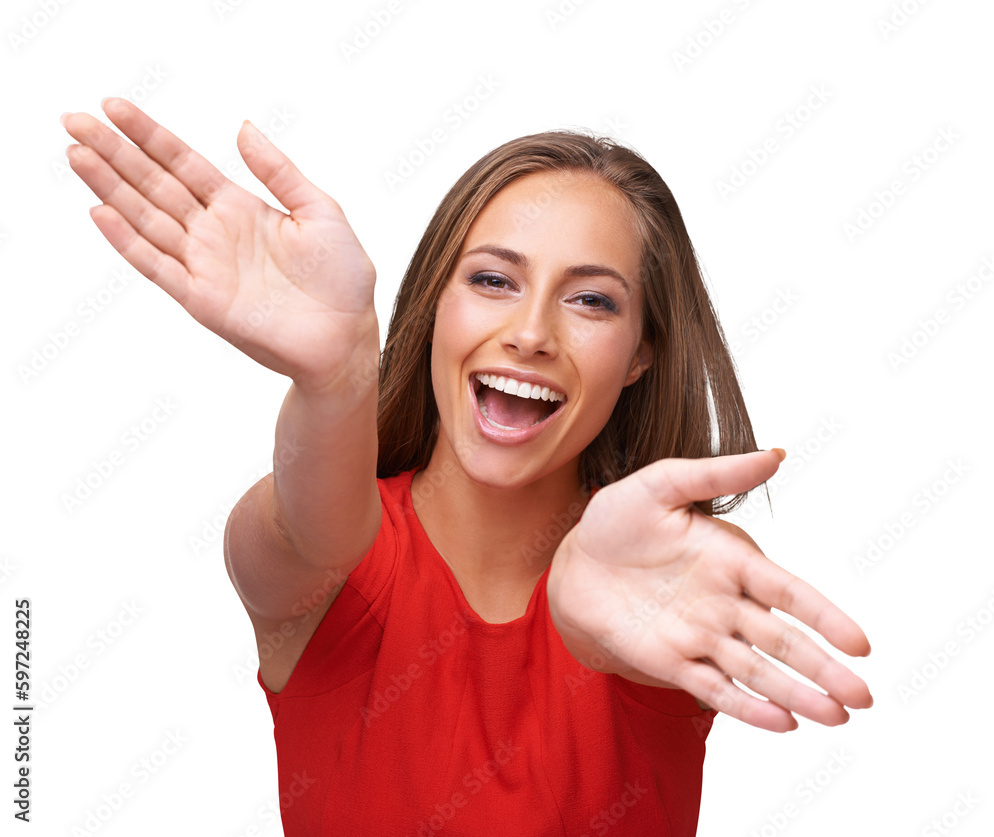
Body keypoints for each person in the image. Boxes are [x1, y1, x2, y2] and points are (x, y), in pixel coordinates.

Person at [62, 98, 872, 836]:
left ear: (641, 353)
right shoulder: (333, 562)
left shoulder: (663, 574)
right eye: (492, 280)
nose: (529, 331)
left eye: (591, 300)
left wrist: (602, 631)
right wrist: (338, 372)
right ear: (438, 304)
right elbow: (310, 530)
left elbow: (662, 634)